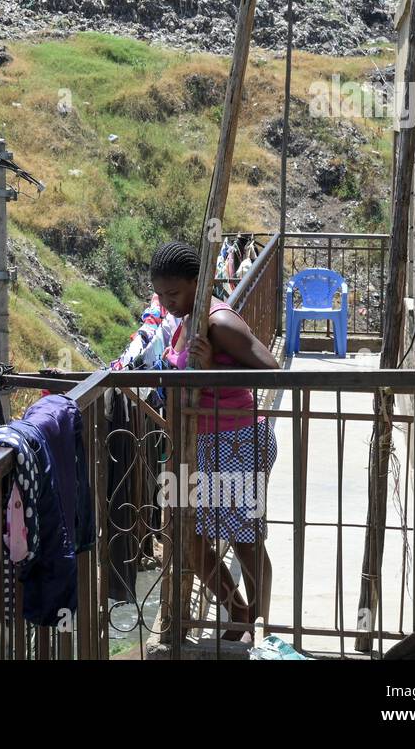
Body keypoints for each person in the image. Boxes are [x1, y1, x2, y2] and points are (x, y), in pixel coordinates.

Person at [149, 240, 280, 643]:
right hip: (206, 441)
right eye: (161, 295)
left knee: (244, 539)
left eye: (174, 293)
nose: (167, 303)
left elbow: (274, 372)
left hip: (236, 440)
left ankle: (256, 623)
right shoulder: (190, 318)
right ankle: (239, 609)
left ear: (197, 282)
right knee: (189, 535)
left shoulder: (218, 323)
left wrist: (207, 372)